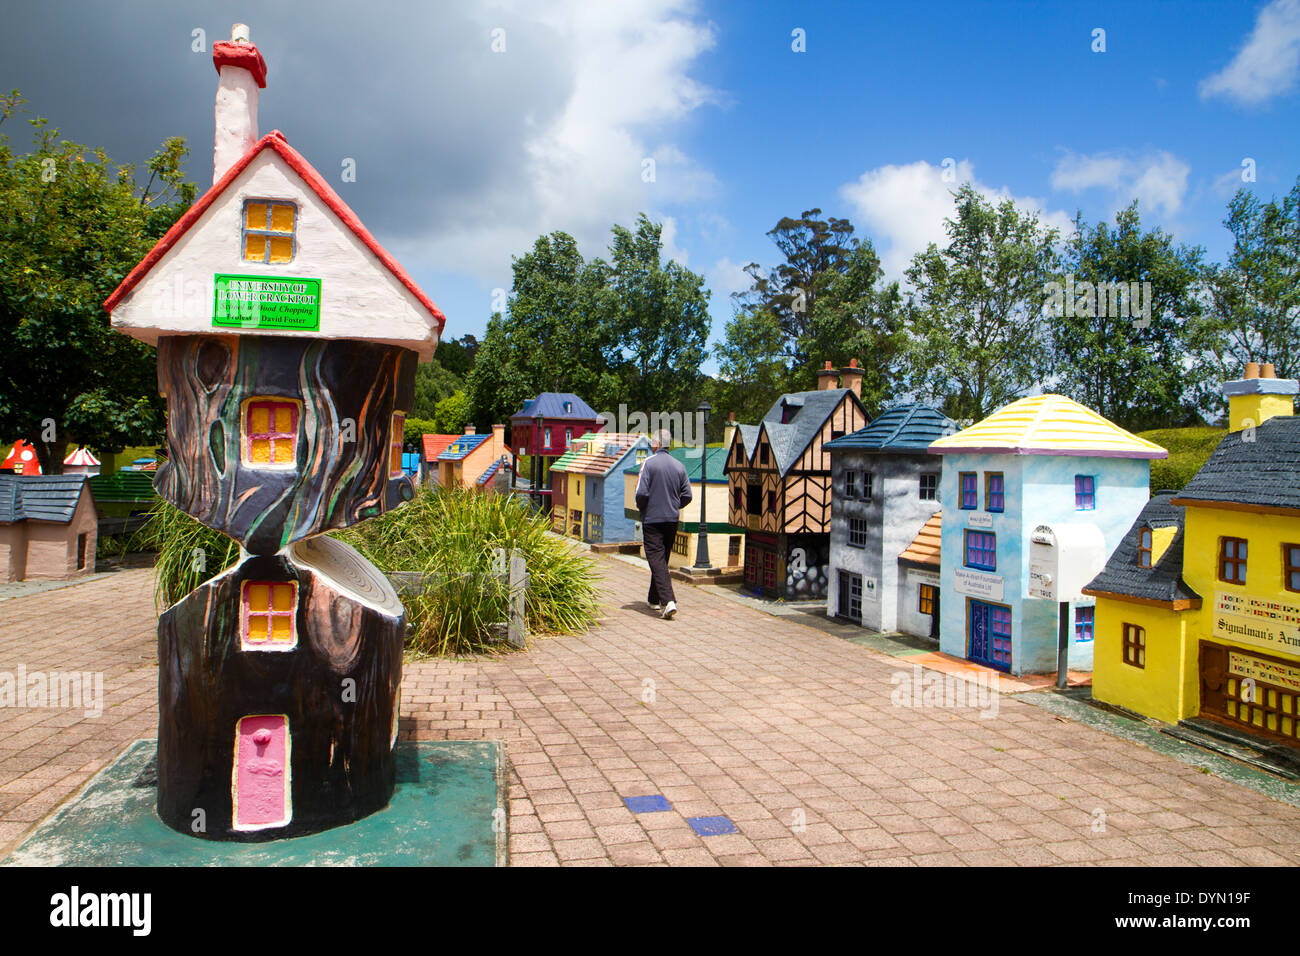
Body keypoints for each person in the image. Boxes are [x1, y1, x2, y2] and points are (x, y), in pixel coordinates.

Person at [634, 429, 692, 619]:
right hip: (671, 520)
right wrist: (675, 505)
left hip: (652, 519)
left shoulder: (648, 464)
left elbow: (641, 493)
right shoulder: (679, 466)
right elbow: (687, 495)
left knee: (656, 559)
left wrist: (643, 509)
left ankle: (668, 602)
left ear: (656, 444)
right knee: (661, 559)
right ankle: (653, 599)